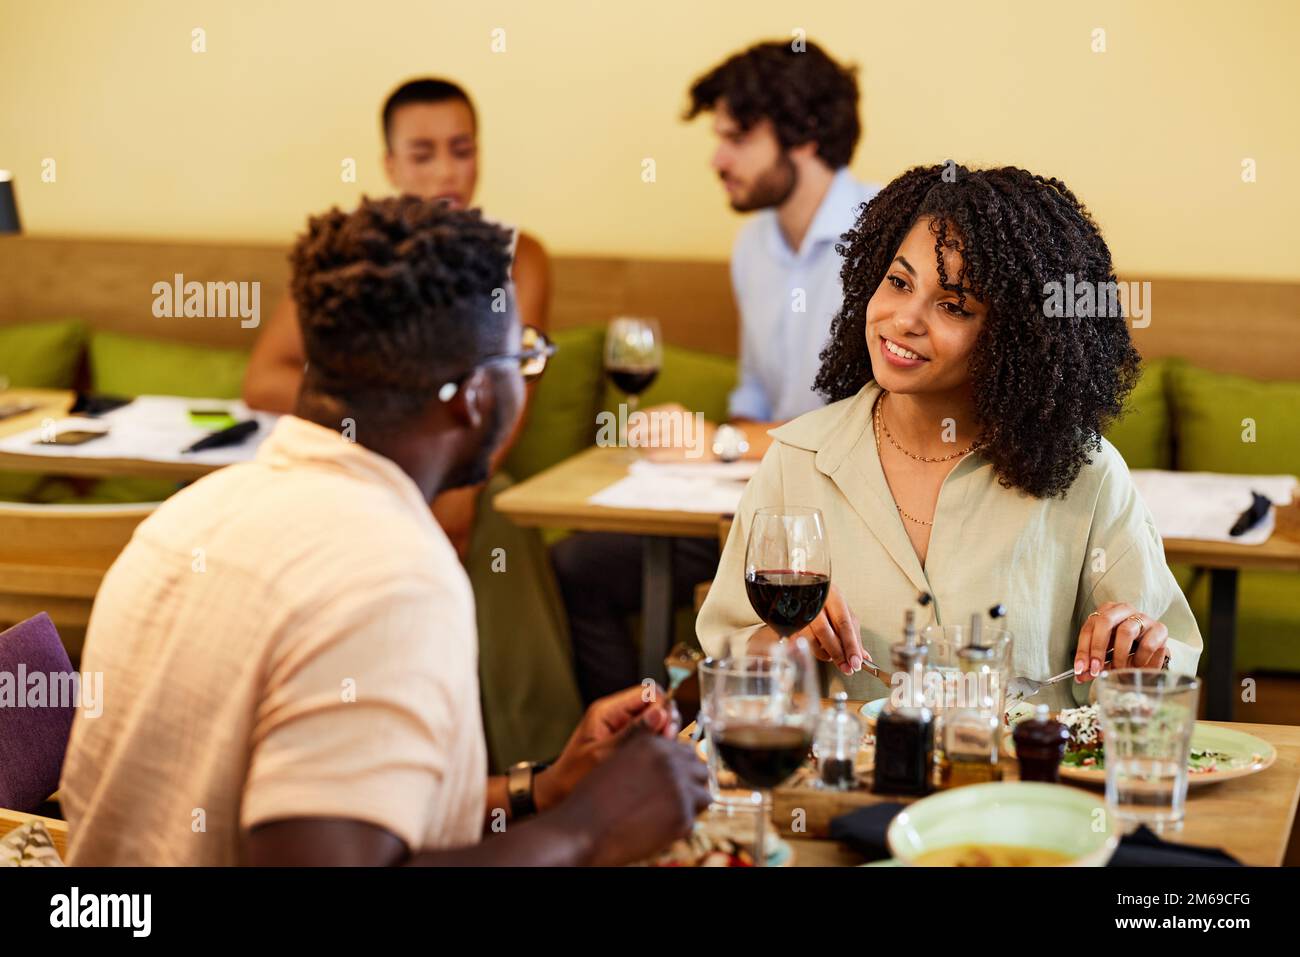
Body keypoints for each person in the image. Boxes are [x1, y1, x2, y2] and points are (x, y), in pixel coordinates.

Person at [60, 199, 709, 866]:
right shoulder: (392, 577)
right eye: (524, 356)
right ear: (475, 394)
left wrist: (542, 790)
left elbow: (350, 815)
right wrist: (590, 829)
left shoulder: (184, 519)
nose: (527, 374)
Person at [697, 164, 1203, 710]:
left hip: (1021, 790)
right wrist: (784, 640)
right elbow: (726, 665)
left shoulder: (1087, 473)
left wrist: (1142, 648)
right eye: (898, 282)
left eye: (954, 306)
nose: (905, 319)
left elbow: (1167, 672)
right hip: (844, 792)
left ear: (1014, 336)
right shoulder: (797, 460)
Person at [243, 78, 583, 770]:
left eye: (460, 150)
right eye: (422, 153)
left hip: (466, 470)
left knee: (487, 508)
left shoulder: (520, 260)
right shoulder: (359, 265)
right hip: (363, 470)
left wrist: (453, 484)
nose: (446, 171)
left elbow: (505, 399)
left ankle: (535, 761)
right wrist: (388, 406)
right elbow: (265, 378)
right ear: (390, 164)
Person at [552, 39, 878, 703]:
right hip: (757, 502)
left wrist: (721, 442)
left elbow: (863, 418)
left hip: (852, 512)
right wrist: (704, 446)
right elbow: (755, 393)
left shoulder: (882, 238)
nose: (717, 158)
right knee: (580, 564)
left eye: (736, 137)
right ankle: (643, 748)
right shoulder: (754, 245)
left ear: (805, 134)